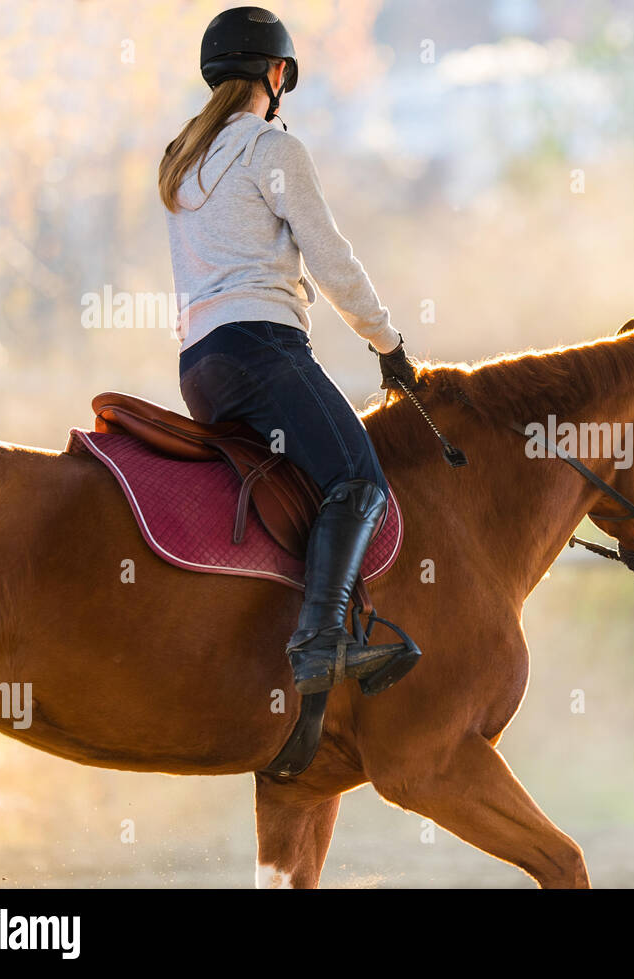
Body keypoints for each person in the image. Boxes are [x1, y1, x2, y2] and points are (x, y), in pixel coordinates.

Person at [158, 6, 416, 695]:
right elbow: (331, 258)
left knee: (296, 485)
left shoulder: (182, 160)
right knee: (358, 482)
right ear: (276, 73)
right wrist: (386, 341)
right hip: (262, 350)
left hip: (200, 365)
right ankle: (320, 641)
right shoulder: (272, 150)